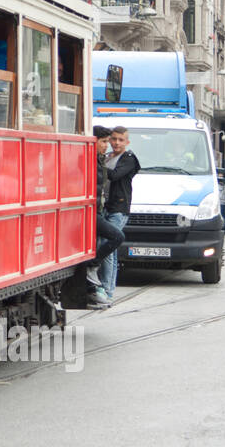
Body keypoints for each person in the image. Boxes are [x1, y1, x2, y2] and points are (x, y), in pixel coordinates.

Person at [99, 126, 140, 299]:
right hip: (106, 206)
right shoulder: (108, 157)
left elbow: (115, 175)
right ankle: (108, 289)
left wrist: (97, 165)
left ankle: (107, 290)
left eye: (120, 140)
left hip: (119, 209)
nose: (116, 143)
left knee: (108, 246)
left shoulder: (129, 158)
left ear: (127, 142)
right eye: (113, 139)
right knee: (111, 250)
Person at [85, 125, 123, 309]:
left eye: (107, 142)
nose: (106, 146)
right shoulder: (88, 159)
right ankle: (92, 267)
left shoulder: (100, 159)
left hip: (98, 211)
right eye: (104, 142)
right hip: (90, 213)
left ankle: (95, 282)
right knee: (117, 236)